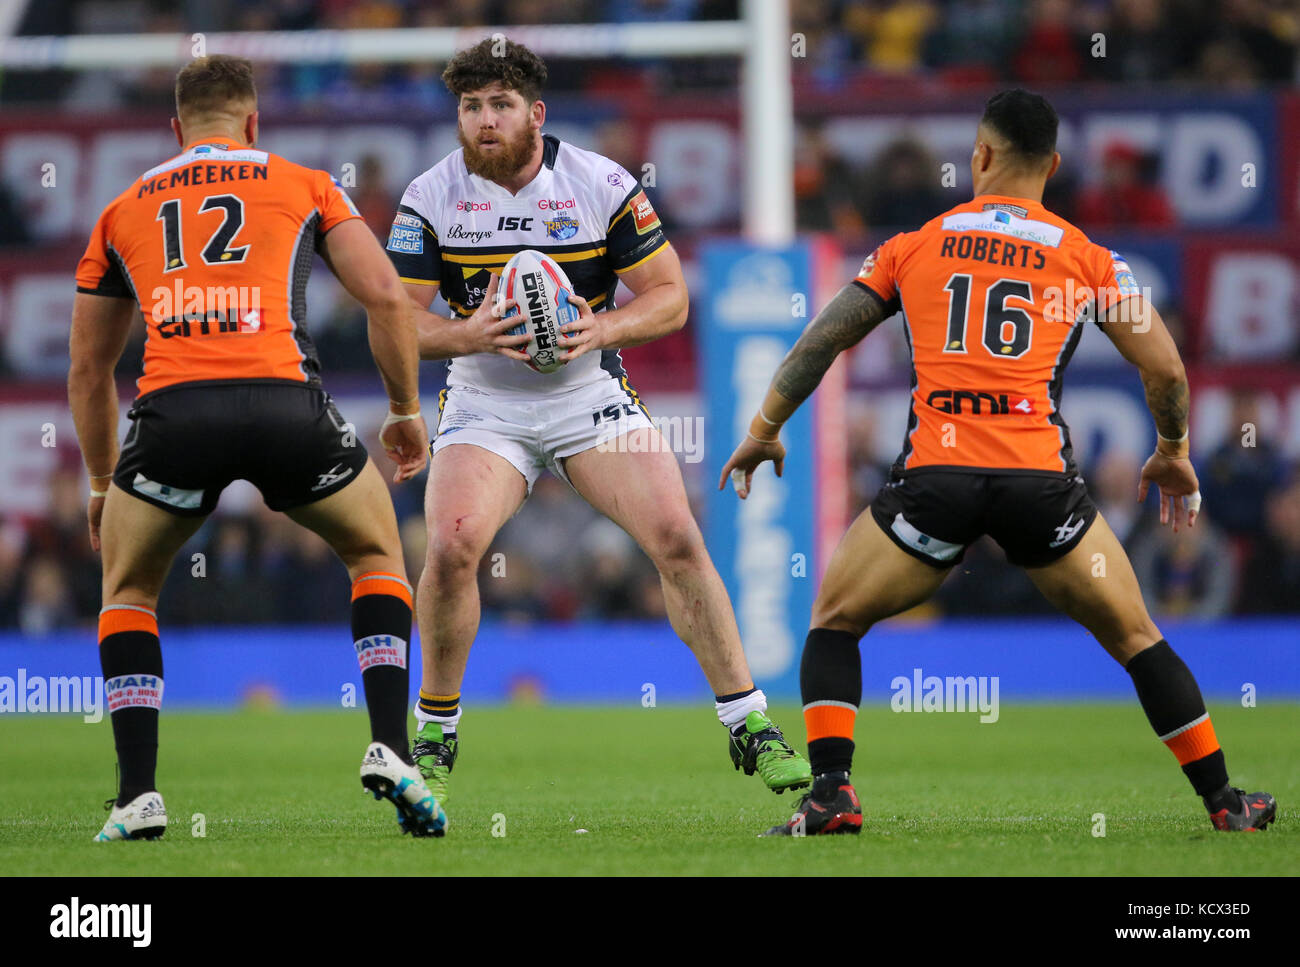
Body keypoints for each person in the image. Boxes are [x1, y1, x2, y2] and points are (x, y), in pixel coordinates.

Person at [721, 89, 1275, 836]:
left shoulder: (914, 243)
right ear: (1051, 165)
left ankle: (831, 796)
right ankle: (1225, 803)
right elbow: (1168, 371)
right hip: (1041, 486)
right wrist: (1173, 451)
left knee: (834, 621)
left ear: (979, 156)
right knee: (1137, 637)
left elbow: (822, 339)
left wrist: (764, 427)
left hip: (935, 484)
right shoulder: (1087, 256)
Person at [385, 38, 810, 808]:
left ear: (535, 114)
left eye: (500, 105)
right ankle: (435, 729)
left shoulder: (601, 183)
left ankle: (750, 722)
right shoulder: (430, 195)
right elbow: (397, 323)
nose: (483, 122)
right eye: (471, 106)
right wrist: (470, 334)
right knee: (450, 547)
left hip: (588, 396)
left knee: (678, 537)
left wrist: (603, 329)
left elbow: (671, 296)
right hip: (484, 400)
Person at [71, 55, 445, 840]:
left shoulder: (121, 210)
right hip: (286, 407)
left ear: (176, 130)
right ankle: (390, 747)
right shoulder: (306, 183)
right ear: (253, 123)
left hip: (174, 416)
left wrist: (104, 483)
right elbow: (385, 296)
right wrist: (406, 408)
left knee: (129, 591)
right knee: (377, 552)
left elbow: (89, 367)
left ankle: (138, 794)